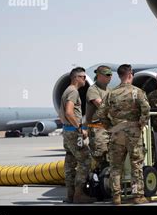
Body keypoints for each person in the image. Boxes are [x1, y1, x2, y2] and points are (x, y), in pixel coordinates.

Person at [97, 64, 150, 205]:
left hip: (117, 132)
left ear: (120, 76)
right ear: (130, 74)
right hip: (133, 132)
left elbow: (100, 113)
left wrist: (110, 127)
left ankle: (116, 196)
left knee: (116, 166)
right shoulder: (137, 92)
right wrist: (141, 123)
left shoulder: (111, 93)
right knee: (136, 164)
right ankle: (138, 195)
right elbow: (146, 109)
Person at [59, 67, 95, 204]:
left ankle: (70, 195)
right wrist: (80, 128)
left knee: (70, 163)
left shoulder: (66, 91)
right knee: (85, 161)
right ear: (76, 78)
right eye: (83, 77)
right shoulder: (73, 92)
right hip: (74, 133)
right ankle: (79, 195)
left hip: (67, 132)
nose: (85, 79)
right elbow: (69, 112)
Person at [85, 65, 112, 172]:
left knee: (109, 156)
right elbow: (100, 105)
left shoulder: (109, 90)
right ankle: (94, 181)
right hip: (98, 128)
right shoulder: (93, 90)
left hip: (109, 128)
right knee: (99, 155)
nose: (110, 77)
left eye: (111, 75)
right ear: (99, 76)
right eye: (107, 75)